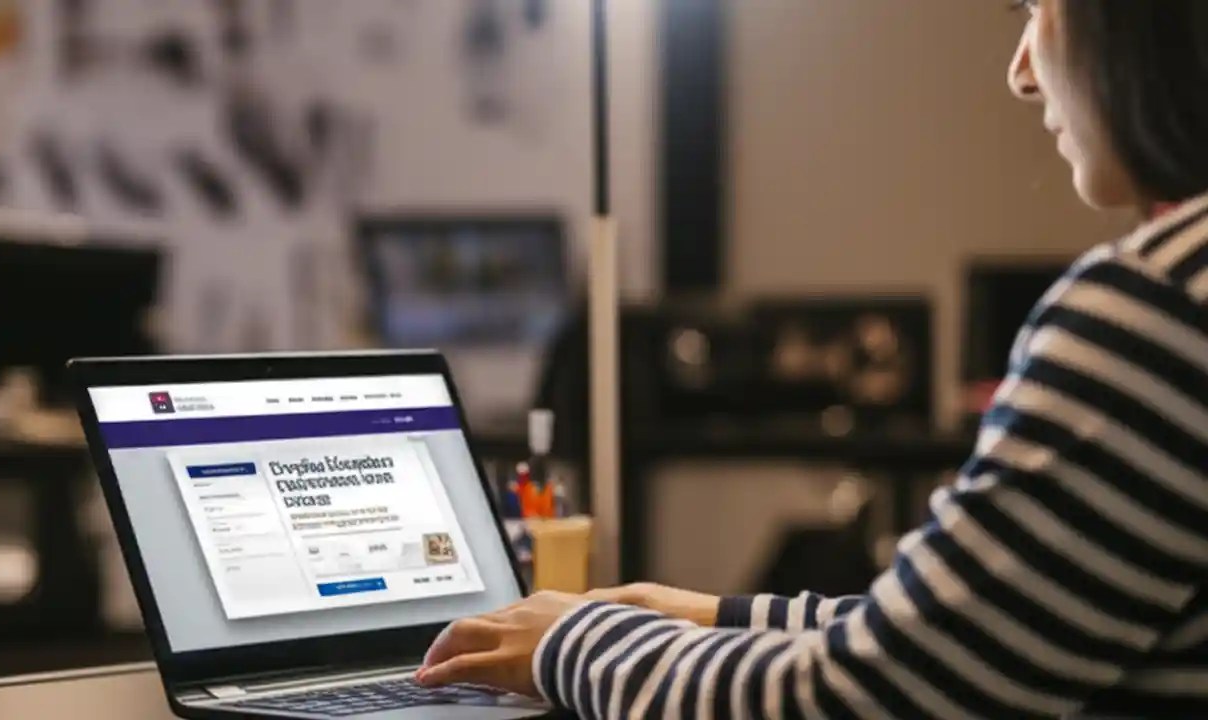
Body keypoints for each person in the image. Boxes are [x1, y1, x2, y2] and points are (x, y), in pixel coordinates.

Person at [417, 1, 1208, 717]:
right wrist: (714, 616)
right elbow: (969, 633)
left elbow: (862, 697)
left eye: (1035, 8)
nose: (1021, 71)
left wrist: (572, 645)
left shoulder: (1154, 313)